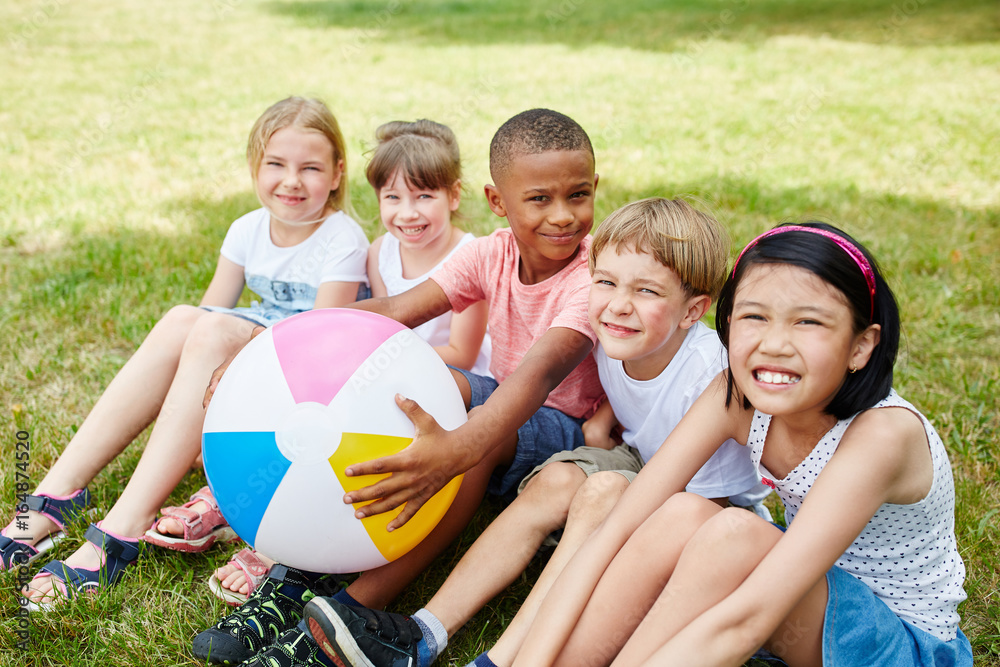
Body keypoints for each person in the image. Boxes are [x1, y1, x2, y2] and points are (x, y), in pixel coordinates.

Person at [190, 108, 604, 667]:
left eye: (578, 195)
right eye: (539, 199)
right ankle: (294, 582)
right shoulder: (492, 252)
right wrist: (263, 347)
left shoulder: (593, 278)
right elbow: (390, 312)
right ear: (497, 202)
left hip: (564, 430)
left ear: (595, 188)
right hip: (499, 401)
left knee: (457, 419)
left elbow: (537, 380)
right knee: (396, 388)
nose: (563, 216)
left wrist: (451, 453)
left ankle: (346, 615)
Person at [303, 197, 773, 667]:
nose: (619, 305)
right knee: (557, 481)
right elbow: (639, 393)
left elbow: (707, 500)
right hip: (643, 459)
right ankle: (423, 633)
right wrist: (603, 418)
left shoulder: (710, 375)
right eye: (606, 282)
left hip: (705, 507)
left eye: (647, 292)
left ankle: (503, 659)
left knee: (600, 493)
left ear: (693, 311)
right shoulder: (612, 335)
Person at [497, 222, 970, 666]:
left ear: (861, 346)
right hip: (807, 587)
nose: (775, 344)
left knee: (735, 534)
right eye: (755, 316)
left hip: (903, 643)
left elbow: (745, 622)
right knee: (683, 512)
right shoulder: (735, 395)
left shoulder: (883, 435)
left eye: (808, 322)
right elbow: (614, 533)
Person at [11, 97, 368, 610]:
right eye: (276, 164)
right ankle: (57, 493)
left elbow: (319, 338)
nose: (291, 181)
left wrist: (222, 353)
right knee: (185, 319)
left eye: (310, 168)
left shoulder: (342, 238)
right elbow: (208, 313)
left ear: (336, 174)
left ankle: (123, 526)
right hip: (252, 357)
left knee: (209, 330)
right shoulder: (247, 228)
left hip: (306, 379)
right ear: (254, 166)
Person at [209, 118, 493, 607]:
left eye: (424, 197)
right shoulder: (381, 253)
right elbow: (376, 331)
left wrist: (383, 371)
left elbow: (463, 353)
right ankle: (288, 520)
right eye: (393, 198)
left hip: (449, 382)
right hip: (388, 377)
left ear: (453, 195)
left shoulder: (471, 257)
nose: (408, 213)